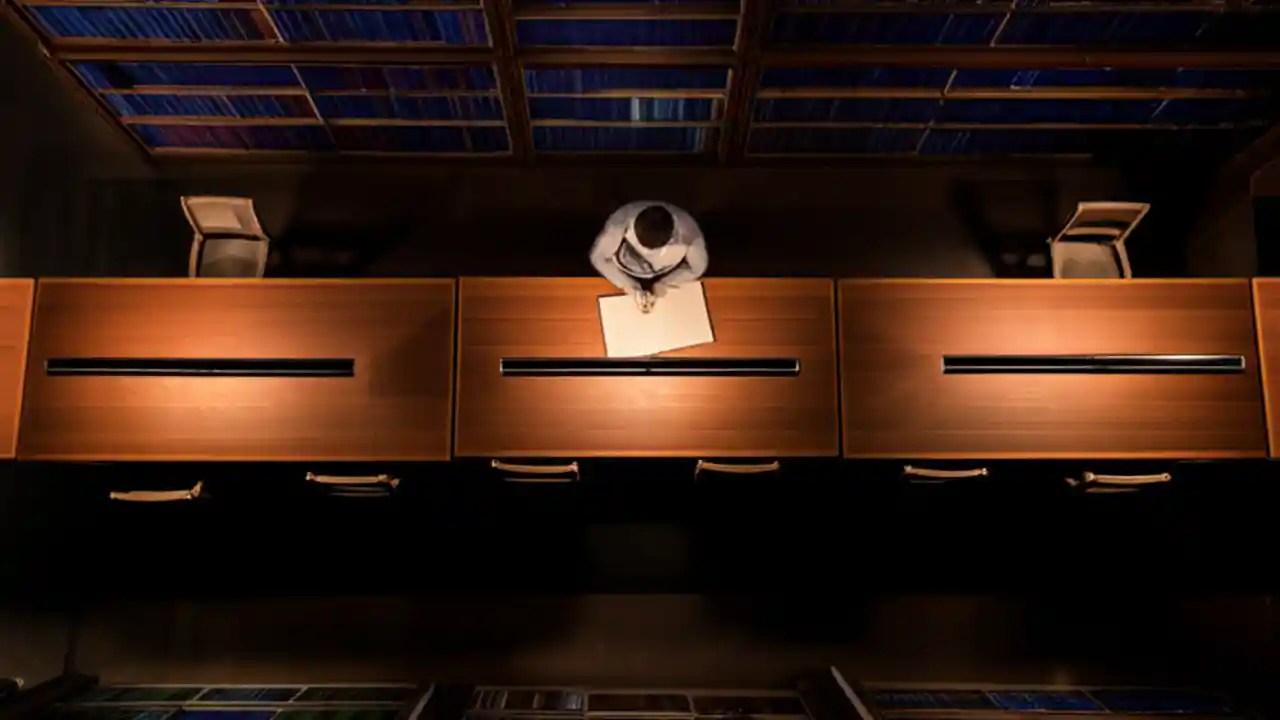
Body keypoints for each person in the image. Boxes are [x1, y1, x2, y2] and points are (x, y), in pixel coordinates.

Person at [590, 201, 708, 313]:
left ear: (671, 237)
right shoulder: (620, 222)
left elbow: (697, 268)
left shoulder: (690, 234)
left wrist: (665, 283)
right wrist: (630, 286)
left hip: (666, 273)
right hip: (623, 272)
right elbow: (598, 257)